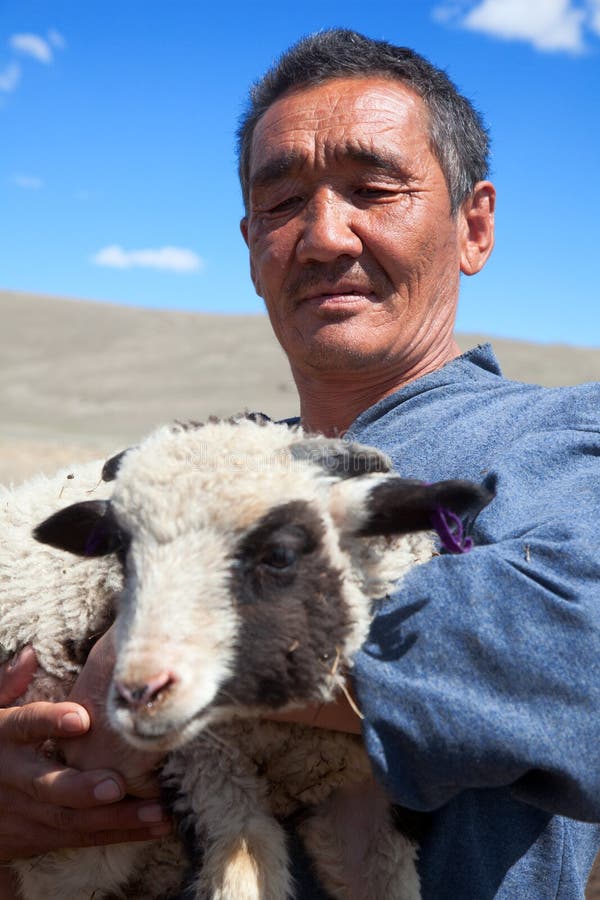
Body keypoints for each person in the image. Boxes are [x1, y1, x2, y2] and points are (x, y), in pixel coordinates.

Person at [1, 28, 599, 899]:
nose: (323, 237)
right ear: (250, 246)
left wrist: (136, 657)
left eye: (374, 189)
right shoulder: (173, 468)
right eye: (282, 205)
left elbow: (573, 651)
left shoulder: (559, 438)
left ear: (474, 226)